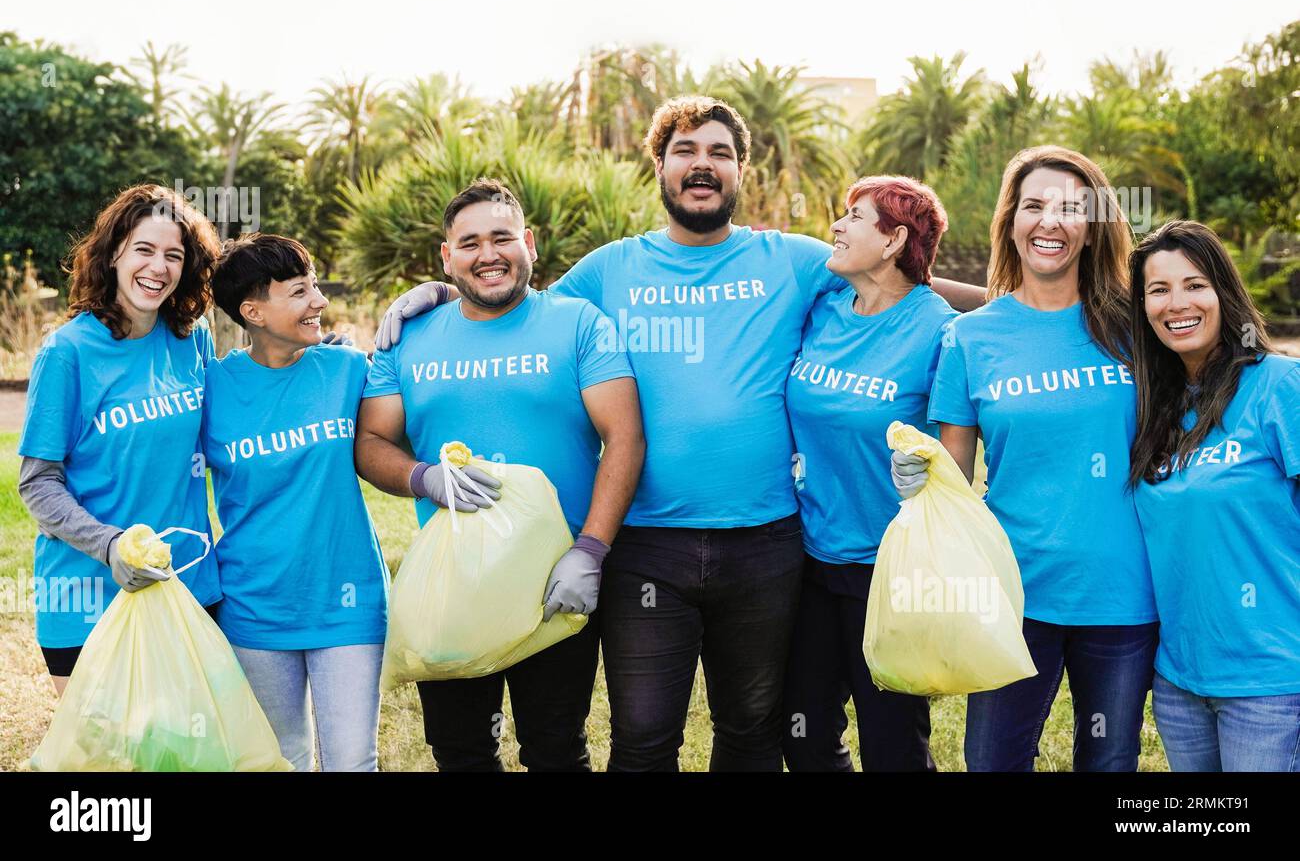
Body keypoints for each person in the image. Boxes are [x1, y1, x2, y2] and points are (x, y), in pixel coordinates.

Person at [375, 96, 984, 771]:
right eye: (685, 152)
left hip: (768, 542)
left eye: (719, 153)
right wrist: (431, 294)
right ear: (660, 168)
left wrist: (1008, 305)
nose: (702, 166)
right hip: (646, 545)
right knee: (641, 736)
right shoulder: (611, 269)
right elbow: (516, 299)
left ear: (740, 171)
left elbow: (897, 279)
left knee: (752, 729)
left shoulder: (792, 260)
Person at [355, 178, 644, 771]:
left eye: (501, 238)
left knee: (556, 747)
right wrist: (422, 478)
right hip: (453, 576)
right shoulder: (409, 337)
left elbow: (625, 437)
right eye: (469, 243)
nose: (488, 255)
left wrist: (589, 551)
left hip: (553, 576)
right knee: (460, 751)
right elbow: (372, 441)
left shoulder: (578, 322)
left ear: (529, 243)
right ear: (446, 257)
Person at [904, 145, 1158, 771]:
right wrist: (919, 481)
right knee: (992, 762)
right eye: (1034, 205)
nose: (1050, 222)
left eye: (1071, 208)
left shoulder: (1138, 327)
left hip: (1122, 591)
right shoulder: (970, 337)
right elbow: (954, 478)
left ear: (1094, 227)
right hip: (1011, 592)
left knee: (1109, 765)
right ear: (1010, 221)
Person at [17, 184, 223, 696]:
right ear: (113, 254)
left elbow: (230, 429)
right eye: (144, 250)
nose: (158, 267)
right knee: (108, 761)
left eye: (173, 255)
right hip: (89, 596)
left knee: (189, 751)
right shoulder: (67, 353)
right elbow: (38, 484)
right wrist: (110, 547)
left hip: (186, 583)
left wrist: (305, 356)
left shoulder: (192, 338)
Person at [782, 175, 955, 772]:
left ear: (893, 240)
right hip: (805, 556)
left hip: (888, 566)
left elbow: (958, 445)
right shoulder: (823, 310)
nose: (836, 225)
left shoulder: (938, 328)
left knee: (893, 745)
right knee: (803, 734)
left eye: (855, 216)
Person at [204, 233, 389, 771]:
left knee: (353, 761)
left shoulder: (348, 369)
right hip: (254, 606)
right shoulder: (211, 387)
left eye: (315, 287)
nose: (320, 302)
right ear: (253, 311)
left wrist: (430, 297)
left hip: (347, 601)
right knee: (278, 760)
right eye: (300, 291)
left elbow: (423, 363)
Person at [1127, 220, 1300, 772]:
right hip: (1179, 684)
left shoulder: (1278, 386)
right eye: (1158, 290)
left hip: (1270, 683)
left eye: (1194, 284)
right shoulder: (1158, 407)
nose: (1176, 303)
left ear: (1223, 292)